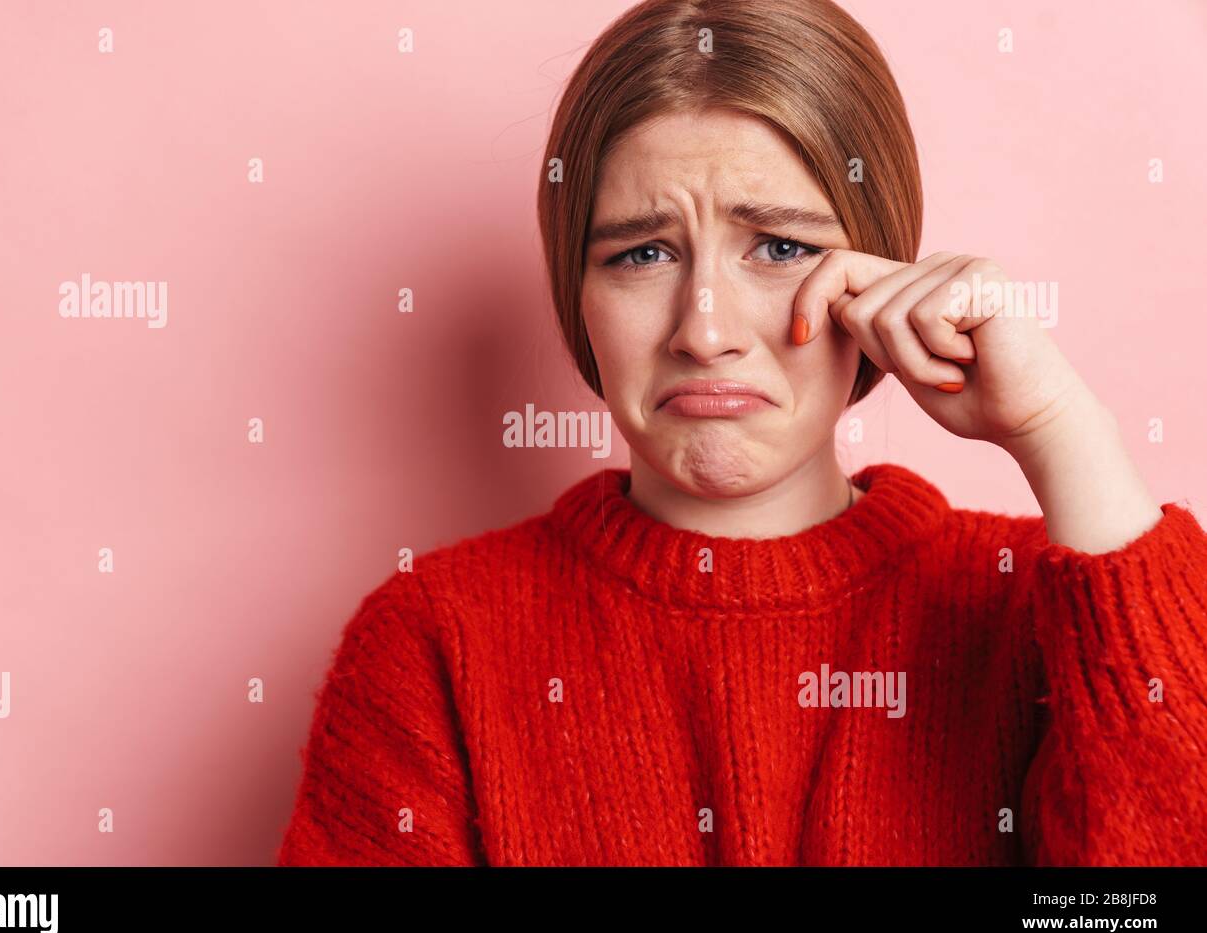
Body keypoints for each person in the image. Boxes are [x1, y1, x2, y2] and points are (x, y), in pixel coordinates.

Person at [278, 0, 1207, 866]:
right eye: (644, 253)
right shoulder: (434, 638)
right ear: (579, 294)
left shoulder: (1031, 616)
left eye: (780, 248)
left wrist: (1060, 428)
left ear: (877, 273)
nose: (705, 328)